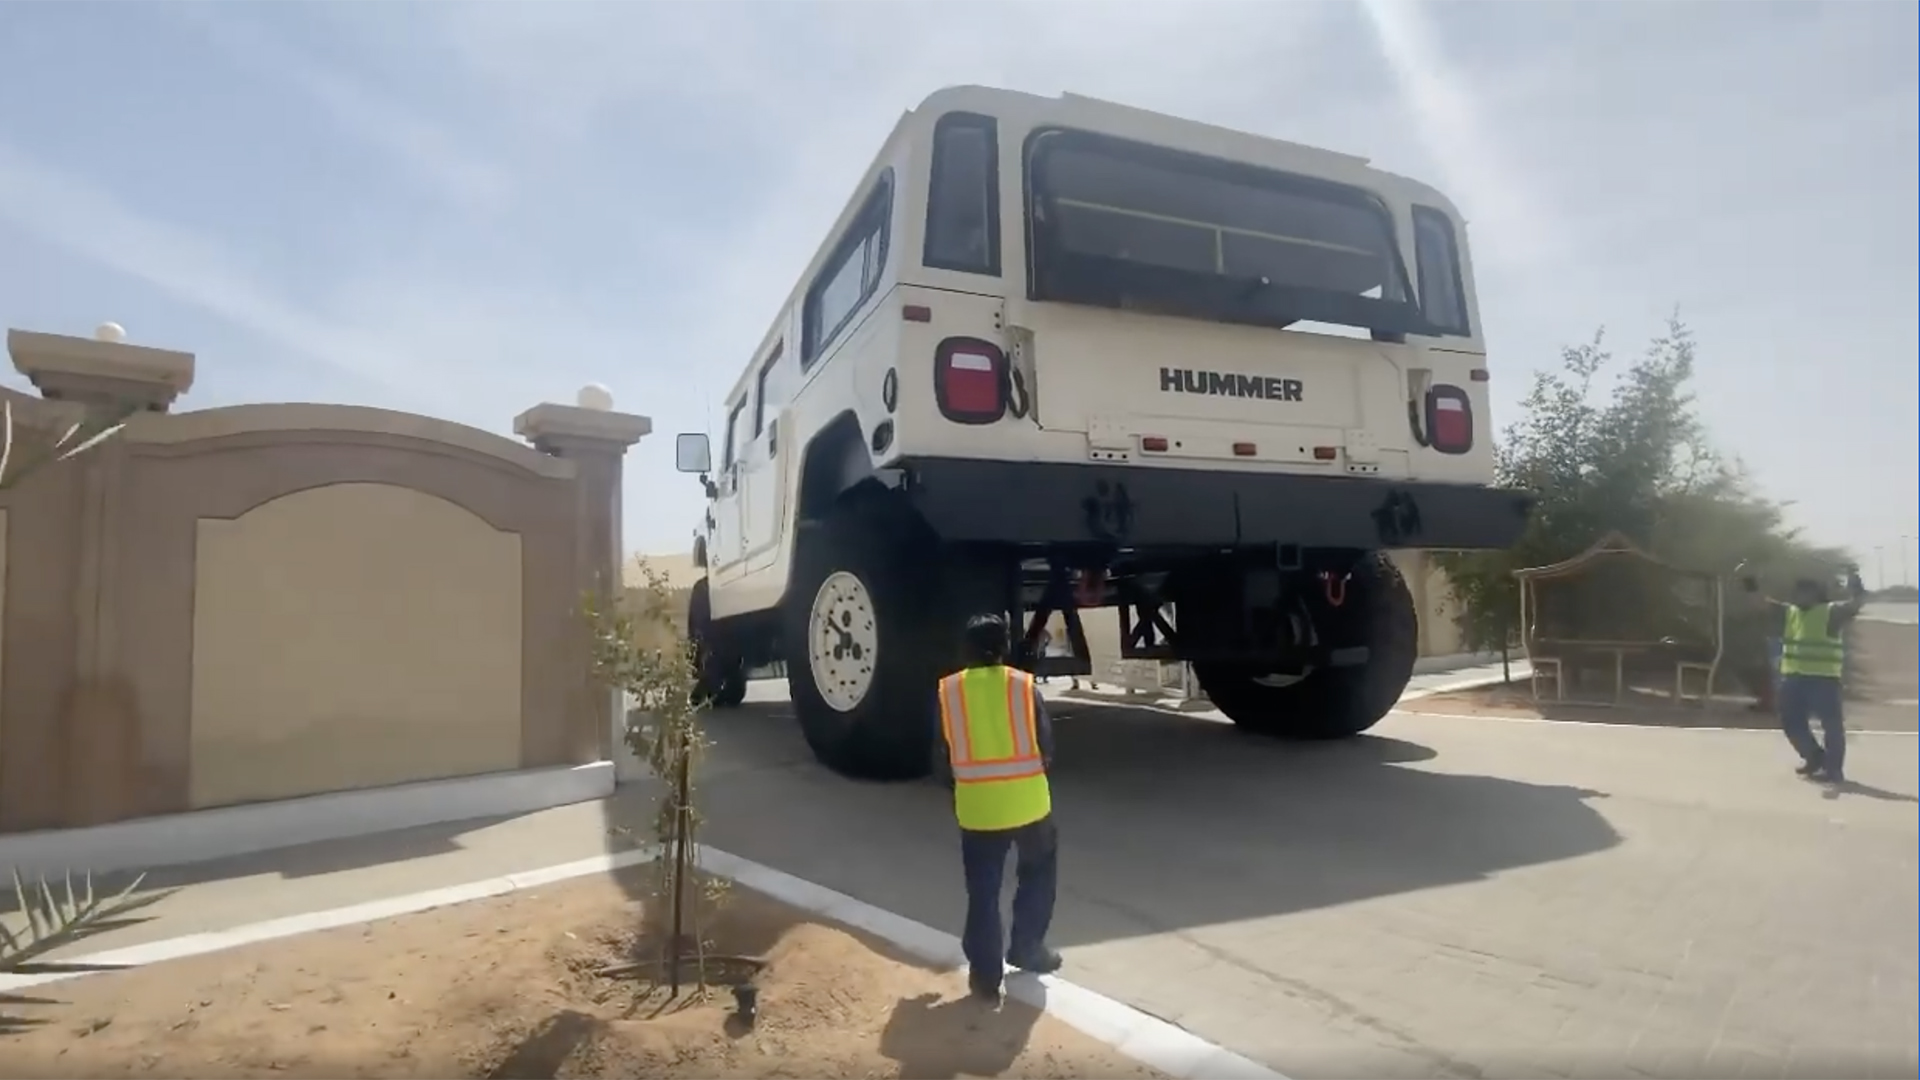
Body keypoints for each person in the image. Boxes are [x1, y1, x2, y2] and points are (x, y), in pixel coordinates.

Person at [936, 613, 1063, 1004]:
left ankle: (986, 978)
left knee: (983, 891)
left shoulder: (949, 692)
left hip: (978, 811)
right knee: (1038, 872)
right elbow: (1047, 750)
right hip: (1030, 806)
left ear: (966, 650)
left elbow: (940, 762)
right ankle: (1028, 948)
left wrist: (966, 786)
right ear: (1005, 647)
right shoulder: (1023, 687)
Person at [1745, 564, 1866, 784]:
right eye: (1797, 591)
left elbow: (1856, 604)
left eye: (1805, 591)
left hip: (1824, 680)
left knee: (1832, 726)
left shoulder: (1831, 612)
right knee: (1791, 722)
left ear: (1816, 594)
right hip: (1793, 679)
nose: (1799, 595)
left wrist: (1854, 580)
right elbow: (1758, 603)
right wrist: (1748, 580)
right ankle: (1814, 757)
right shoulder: (1789, 611)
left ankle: (1833, 770)